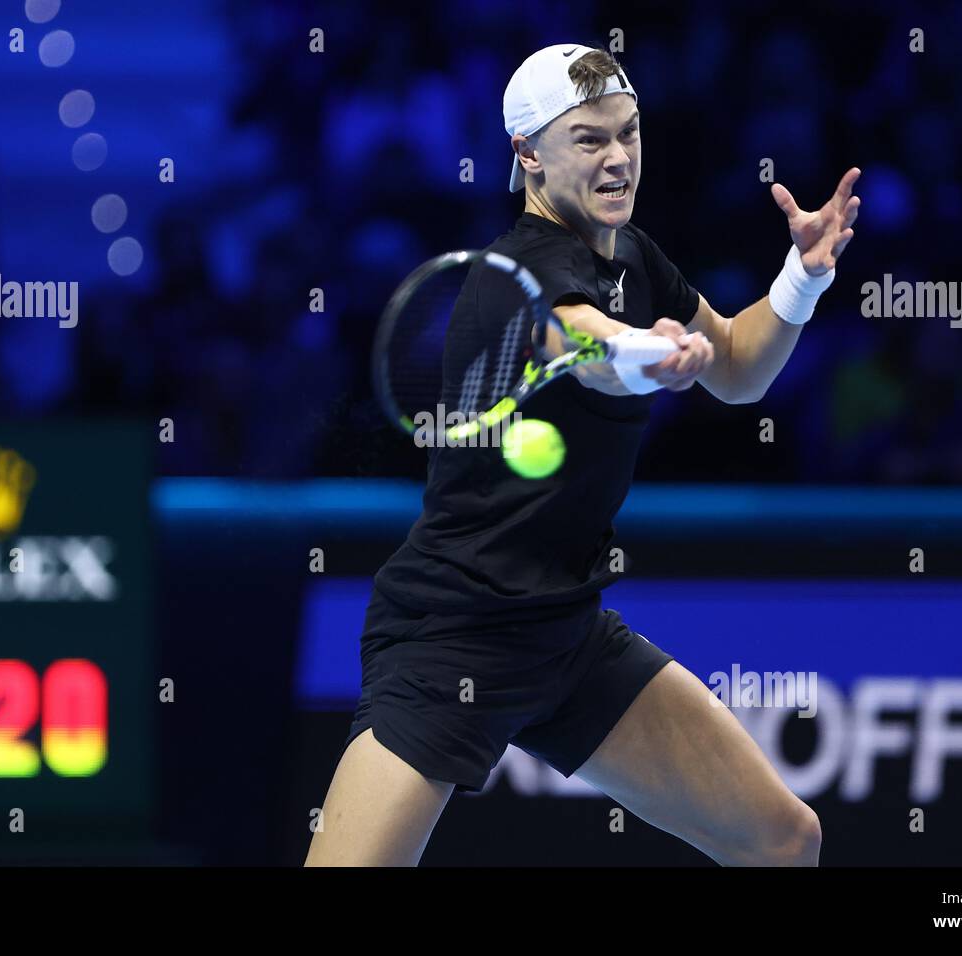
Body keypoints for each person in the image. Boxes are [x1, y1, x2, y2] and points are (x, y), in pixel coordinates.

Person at [305, 43, 860, 866]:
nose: (618, 158)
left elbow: (740, 369)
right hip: (451, 633)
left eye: (629, 134)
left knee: (783, 839)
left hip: (566, 631)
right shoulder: (515, 273)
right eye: (590, 139)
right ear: (527, 154)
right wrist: (647, 354)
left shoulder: (634, 256)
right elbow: (581, 339)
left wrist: (799, 280)